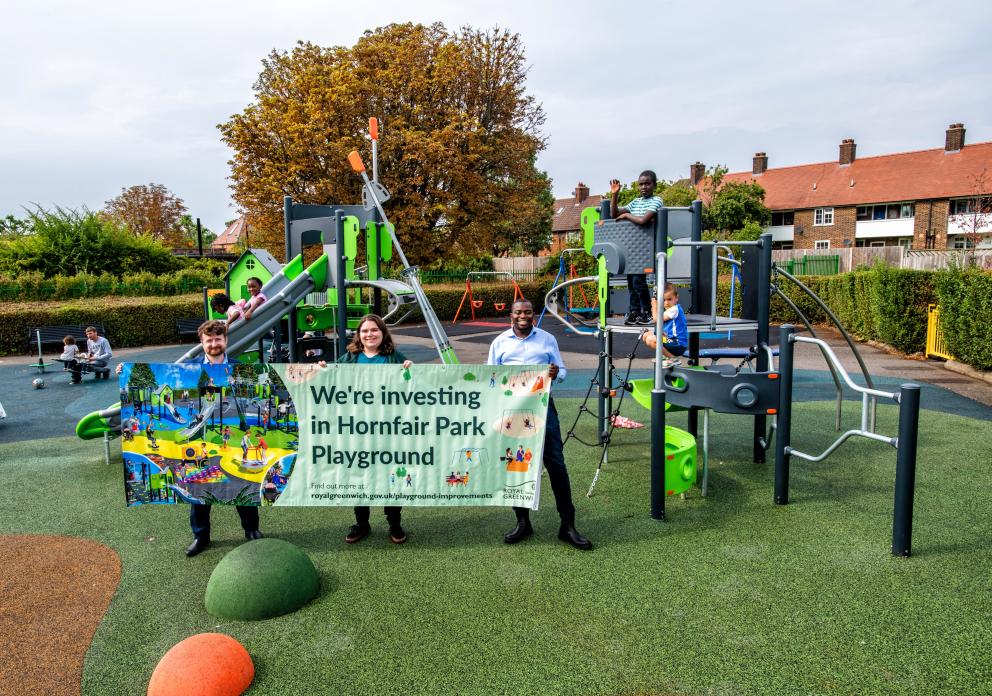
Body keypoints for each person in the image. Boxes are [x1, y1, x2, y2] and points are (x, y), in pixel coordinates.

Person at [117, 320, 262, 557]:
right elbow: (159, 377)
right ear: (202, 343)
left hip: (231, 437)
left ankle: (251, 529)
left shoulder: (240, 369)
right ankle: (201, 535)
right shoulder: (190, 369)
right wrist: (125, 372)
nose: (214, 344)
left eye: (218, 339)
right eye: (209, 340)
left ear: (225, 340)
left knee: (241, 484)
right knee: (198, 486)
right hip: (197, 434)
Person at [487, 299, 592, 551]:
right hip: (512, 412)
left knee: (556, 463)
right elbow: (490, 375)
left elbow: (562, 370)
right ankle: (523, 522)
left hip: (544, 409)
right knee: (517, 464)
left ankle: (567, 525)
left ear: (533, 315)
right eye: (518, 312)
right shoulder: (499, 343)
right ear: (510, 315)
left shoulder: (547, 339)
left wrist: (556, 373)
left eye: (527, 312)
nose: (523, 316)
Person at [319, 314, 413, 544]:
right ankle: (362, 523)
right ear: (359, 336)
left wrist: (411, 370)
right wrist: (323, 369)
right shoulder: (350, 358)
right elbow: (331, 379)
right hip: (357, 429)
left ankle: (394, 523)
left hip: (388, 429)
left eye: (374, 330)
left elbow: (412, 385)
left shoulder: (393, 358)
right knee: (360, 474)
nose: (369, 334)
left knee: (390, 474)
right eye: (365, 331)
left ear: (383, 333)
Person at [608, 172, 663, 326]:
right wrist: (615, 195)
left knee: (639, 281)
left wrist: (626, 217)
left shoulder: (657, 200)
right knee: (631, 282)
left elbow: (644, 220)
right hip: (632, 246)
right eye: (641, 184)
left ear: (654, 185)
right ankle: (634, 312)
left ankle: (646, 312)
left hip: (645, 246)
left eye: (647, 184)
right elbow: (614, 214)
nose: (644, 187)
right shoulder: (635, 202)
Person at [643, 283, 688, 359]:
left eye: (669, 299)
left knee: (651, 340)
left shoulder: (674, 309)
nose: (666, 303)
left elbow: (656, 319)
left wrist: (654, 305)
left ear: (676, 298)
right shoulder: (669, 310)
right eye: (663, 300)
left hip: (677, 343)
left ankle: (672, 358)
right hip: (670, 340)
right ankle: (666, 356)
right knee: (646, 335)